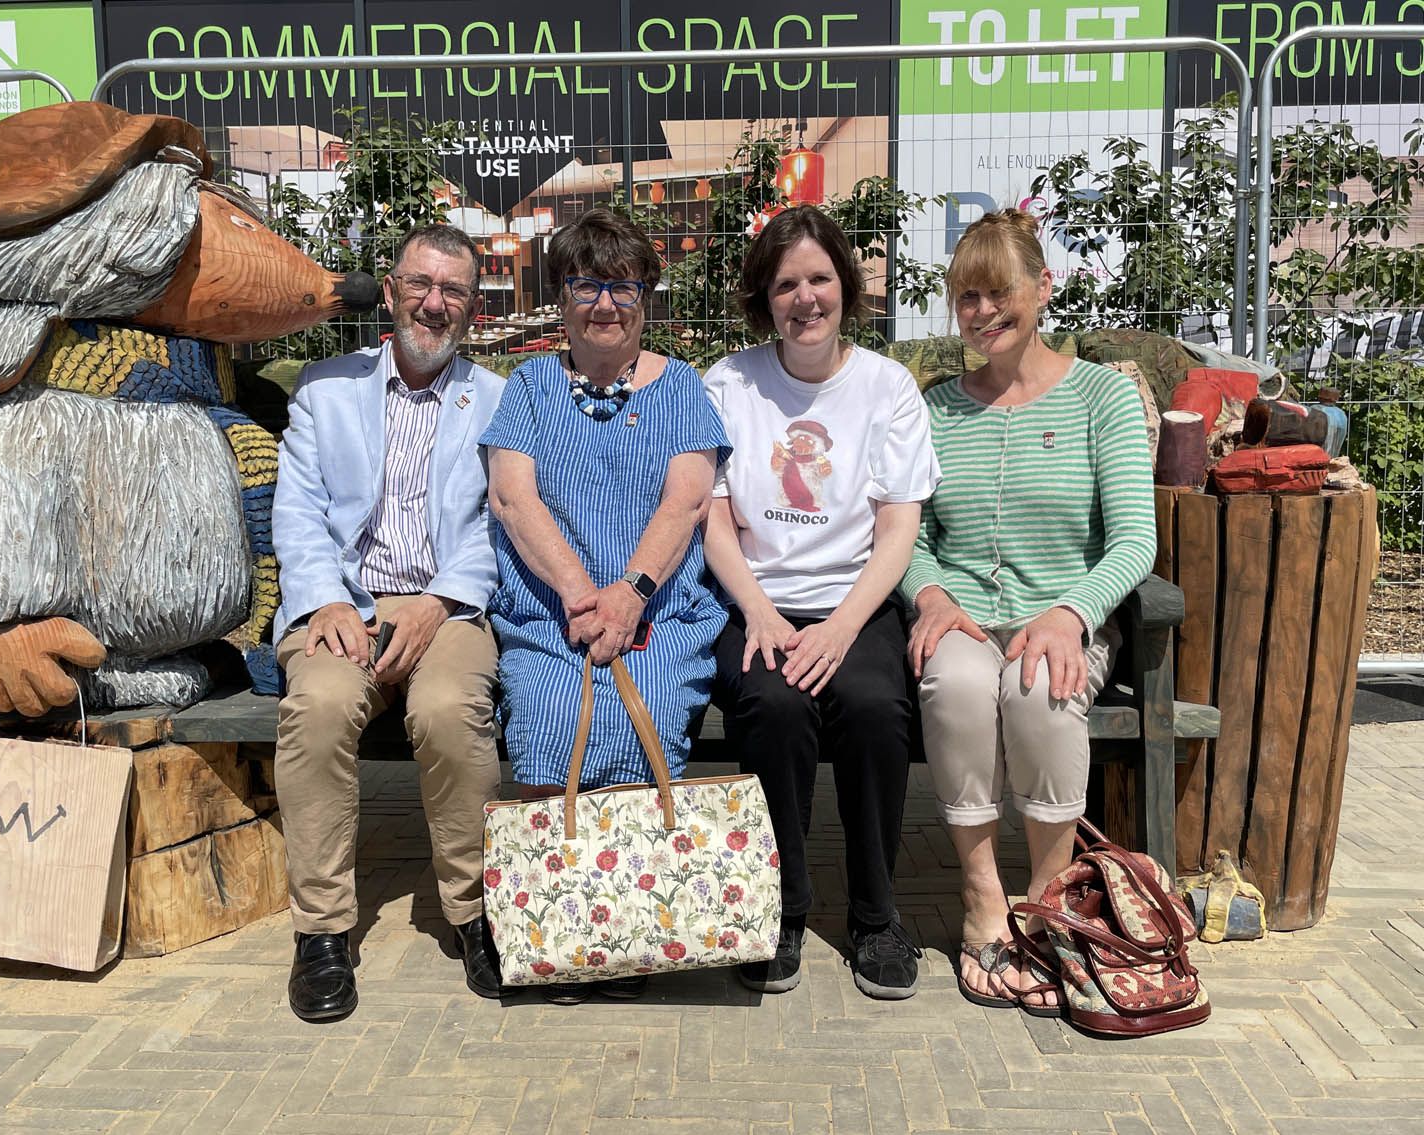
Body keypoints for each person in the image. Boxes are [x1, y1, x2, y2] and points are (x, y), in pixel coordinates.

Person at [901, 209, 1156, 1013]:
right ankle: (982, 897)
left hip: (1062, 621)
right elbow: (907, 531)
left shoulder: (1101, 398)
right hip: (966, 619)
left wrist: (1072, 614)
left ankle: (1047, 901)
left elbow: (1134, 540)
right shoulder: (937, 407)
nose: (982, 312)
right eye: (966, 297)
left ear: (1043, 289)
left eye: (998, 291)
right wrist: (930, 592)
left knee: (1041, 687)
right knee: (958, 685)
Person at [480, 207, 731, 1005]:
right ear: (562, 297)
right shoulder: (528, 388)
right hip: (551, 617)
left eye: (623, 285)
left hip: (659, 617)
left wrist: (629, 597)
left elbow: (687, 500)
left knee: (645, 711)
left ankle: (632, 925)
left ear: (646, 296)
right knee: (551, 713)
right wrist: (582, 597)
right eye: (587, 284)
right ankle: (555, 928)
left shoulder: (681, 386)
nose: (606, 304)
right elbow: (513, 499)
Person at [702, 205, 942, 999]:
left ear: (845, 284)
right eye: (785, 285)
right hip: (757, 601)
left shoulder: (886, 387)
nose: (805, 298)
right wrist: (761, 613)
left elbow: (899, 528)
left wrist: (841, 629)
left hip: (856, 603)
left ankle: (876, 915)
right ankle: (781, 908)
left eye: (818, 279)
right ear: (762, 299)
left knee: (874, 707)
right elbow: (714, 521)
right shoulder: (729, 383)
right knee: (772, 706)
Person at [272, 224, 507, 1022]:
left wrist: (442, 601)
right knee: (320, 707)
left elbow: (494, 523)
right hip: (343, 603)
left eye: (454, 292)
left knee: (448, 712)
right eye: (421, 285)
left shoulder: (497, 399)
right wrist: (323, 602)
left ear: (472, 307)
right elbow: (298, 512)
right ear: (395, 288)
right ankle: (323, 932)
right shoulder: (325, 388)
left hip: (447, 606)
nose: (434, 304)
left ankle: (476, 915)